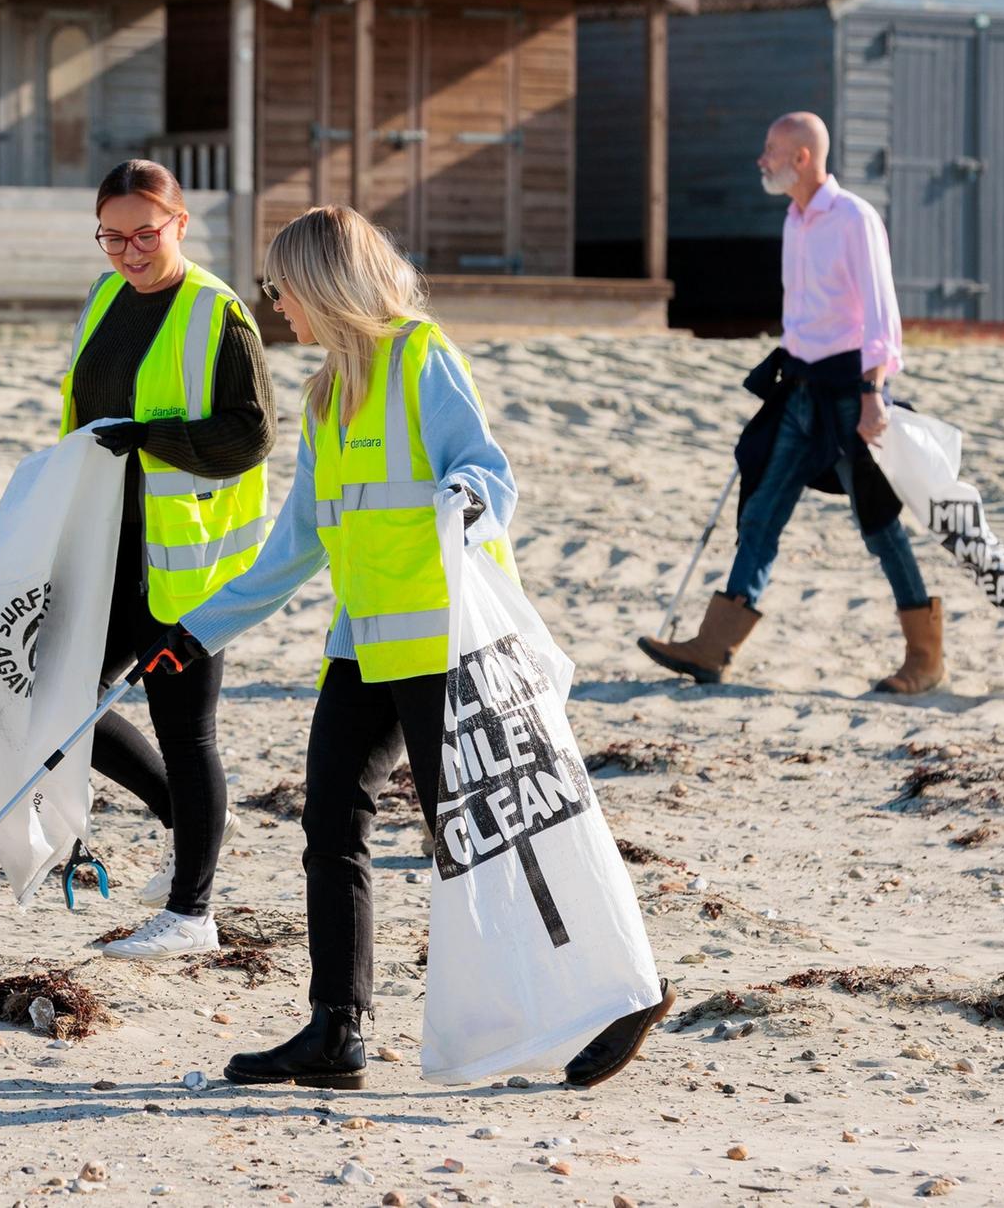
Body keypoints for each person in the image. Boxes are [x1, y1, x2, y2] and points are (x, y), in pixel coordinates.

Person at [143, 206, 673, 1090]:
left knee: (494, 833)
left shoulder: (424, 357)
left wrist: (464, 495)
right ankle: (336, 1028)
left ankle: (625, 987)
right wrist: (194, 633)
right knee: (330, 824)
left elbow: (488, 470)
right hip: (361, 648)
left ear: (322, 284)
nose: (279, 308)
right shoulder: (322, 395)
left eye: (283, 289)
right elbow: (294, 547)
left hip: (444, 650)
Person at [639, 112, 944, 694]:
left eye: (771, 150)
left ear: (803, 157)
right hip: (798, 392)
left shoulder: (854, 218)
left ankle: (925, 658)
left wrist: (874, 395)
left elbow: (882, 317)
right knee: (760, 512)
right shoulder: (795, 220)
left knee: (878, 525)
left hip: (850, 397)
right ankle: (712, 648)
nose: (762, 160)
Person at [60, 159, 276, 959]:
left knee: (186, 732)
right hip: (106, 543)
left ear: (180, 223)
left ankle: (192, 911)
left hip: (188, 561)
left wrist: (152, 437)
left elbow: (251, 435)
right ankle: (189, 826)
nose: (128, 251)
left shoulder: (219, 314)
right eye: (112, 236)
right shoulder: (105, 297)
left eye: (145, 233)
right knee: (62, 702)